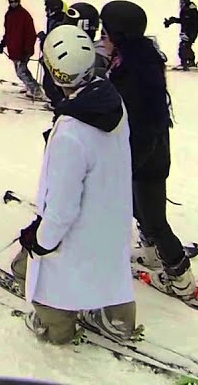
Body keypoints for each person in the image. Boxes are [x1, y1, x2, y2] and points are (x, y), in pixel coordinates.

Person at [13, 24, 137, 345]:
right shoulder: (110, 101)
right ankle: (118, 316)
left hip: (81, 230)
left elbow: (63, 207)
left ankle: (59, 328)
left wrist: (40, 241)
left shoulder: (70, 131)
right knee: (107, 268)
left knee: (50, 284)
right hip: (111, 217)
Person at [99, 0, 198, 301]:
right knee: (139, 208)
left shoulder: (132, 73)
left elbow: (143, 127)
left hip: (147, 158)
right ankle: (154, 254)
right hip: (142, 155)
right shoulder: (133, 58)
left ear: (120, 35)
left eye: (106, 33)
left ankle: (181, 277)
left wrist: (128, 165)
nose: (102, 38)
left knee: (155, 221)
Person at [0, 0, 43, 100]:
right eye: (11, 1)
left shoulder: (25, 15)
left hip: (23, 50)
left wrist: (27, 50)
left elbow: (31, 34)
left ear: (19, 0)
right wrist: (2, 43)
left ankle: (36, 91)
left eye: (15, 1)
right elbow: (8, 32)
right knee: (20, 71)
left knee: (21, 72)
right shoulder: (8, 15)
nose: (13, 3)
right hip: (13, 49)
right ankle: (29, 86)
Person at [162, 0, 198, 70]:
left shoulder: (190, 10)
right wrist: (172, 21)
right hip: (188, 31)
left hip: (190, 31)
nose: (181, 3)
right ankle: (190, 62)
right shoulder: (186, 9)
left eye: (183, 1)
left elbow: (194, 22)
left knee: (184, 46)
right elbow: (184, 20)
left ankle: (185, 63)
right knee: (186, 45)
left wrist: (189, 34)